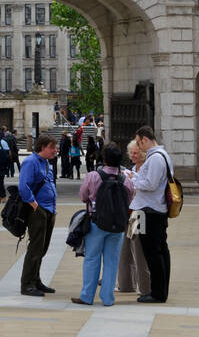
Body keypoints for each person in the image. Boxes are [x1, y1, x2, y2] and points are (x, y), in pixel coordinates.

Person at [70, 142, 134, 307]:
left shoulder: (93, 176)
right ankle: (107, 298)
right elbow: (129, 200)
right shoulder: (126, 180)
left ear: (104, 159)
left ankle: (87, 296)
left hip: (96, 223)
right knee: (112, 261)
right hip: (118, 225)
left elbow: (83, 196)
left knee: (92, 258)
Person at [130, 125, 174, 303]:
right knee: (160, 250)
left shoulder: (156, 158)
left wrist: (133, 181)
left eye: (139, 143)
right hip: (154, 209)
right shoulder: (161, 155)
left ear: (145, 139)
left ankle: (158, 292)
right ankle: (160, 290)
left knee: (153, 252)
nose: (138, 147)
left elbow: (151, 184)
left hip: (150, 210)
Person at [18, 134, 59, 296]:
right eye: (52, 147)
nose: (55, 150)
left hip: (49, 210)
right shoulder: (31, 162)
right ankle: (27, 284)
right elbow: (24, 187)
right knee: (35, 248)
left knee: (43, 248)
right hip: (38, 210)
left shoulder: (46, 162)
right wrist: (35, 206)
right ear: (42, 147)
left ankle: (36, 280)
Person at [117, 140, 152, 296]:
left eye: (135, 153)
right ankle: (126, 284)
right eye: (131, 152)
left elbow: (146, 189)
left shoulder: (145, 170)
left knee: (138, 250)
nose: (132, 155)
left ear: (142, 154)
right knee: (125, 249)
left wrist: (133, 180)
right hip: (128, 212)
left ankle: (144, 287)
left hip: (138, 213)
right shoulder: (131, 169)